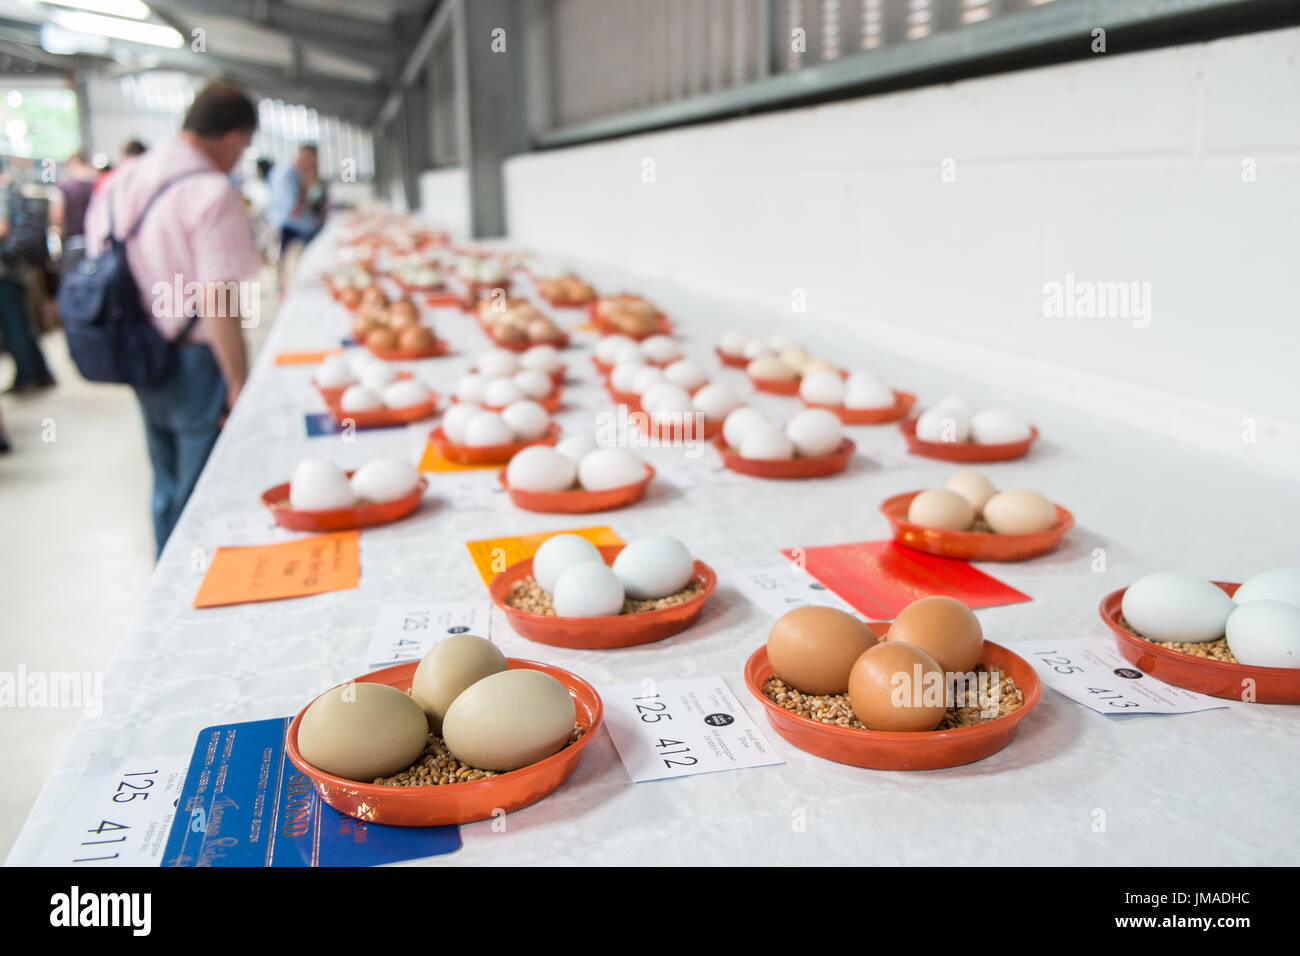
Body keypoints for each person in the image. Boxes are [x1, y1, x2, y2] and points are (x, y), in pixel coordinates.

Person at [83, 81, 260, 556]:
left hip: (137, 348)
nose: (239, 157)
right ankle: (191, 584)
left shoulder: (122, 179)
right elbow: (218, 296)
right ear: (231, 138)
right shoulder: (210, 191)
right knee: (201, 490)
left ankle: (162, 582)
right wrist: (239, 379)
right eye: (243, 147)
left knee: (164, 476)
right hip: (194, 358)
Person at [0, 157, 57, 393]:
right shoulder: (13, 190)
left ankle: (28, 376)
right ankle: (39, 373)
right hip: (16, 269)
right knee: (20, 323)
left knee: (14, 325)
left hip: (6, 272)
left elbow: (2, 227)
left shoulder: (3, 193)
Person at [267, 143, 327, 254]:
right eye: (311, 160)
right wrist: (305, 187)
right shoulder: (287, 175)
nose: (313, 164)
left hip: (308, 230)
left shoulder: (301, 175)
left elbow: (318, 203)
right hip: (292, 234)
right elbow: (294, 211)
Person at [49, 151, 100, 277]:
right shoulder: (98, 184)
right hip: (99, 244)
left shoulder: (62, 187)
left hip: (74, 245)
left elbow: (56, 218)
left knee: (76, 287)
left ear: (71, 164)